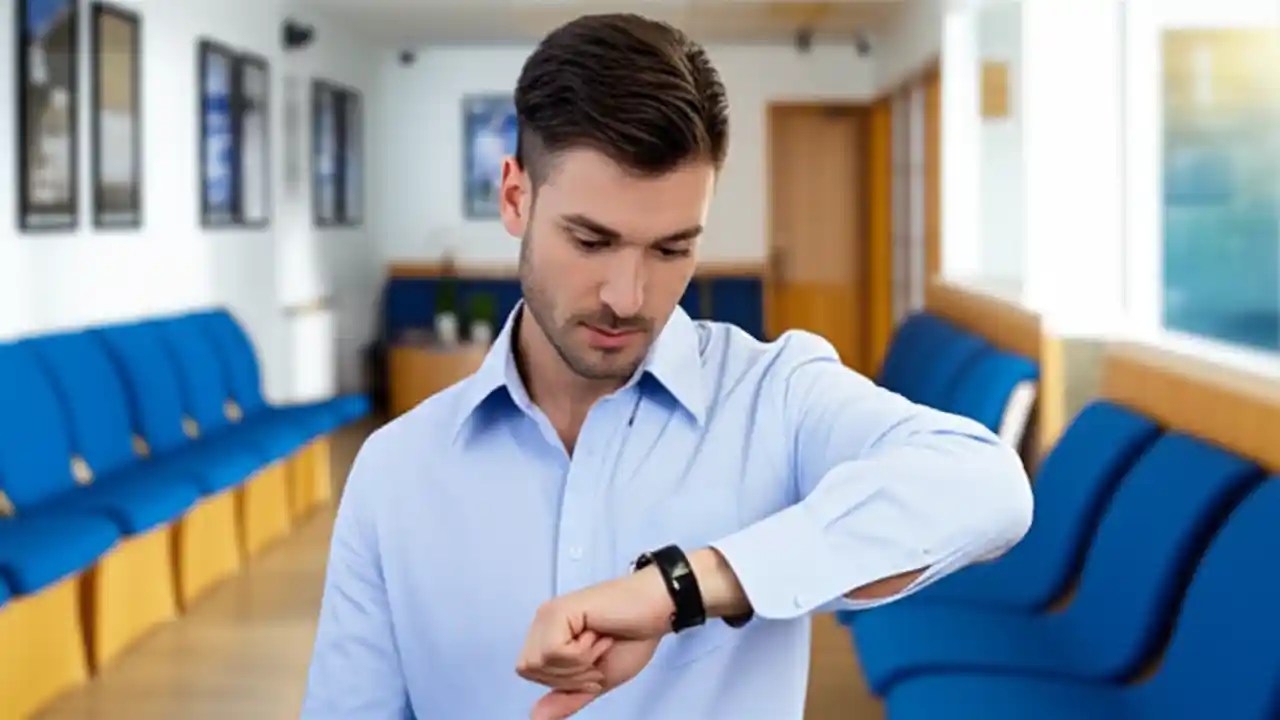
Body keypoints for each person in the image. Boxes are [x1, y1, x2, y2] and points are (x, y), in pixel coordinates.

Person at [302, 13, 1033, 720]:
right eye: (591, 241)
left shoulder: (774, 396)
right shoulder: (394, 474)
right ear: (515, 196)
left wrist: (683, 587)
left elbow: (985, 483)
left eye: (671, 249)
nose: (628, 298)